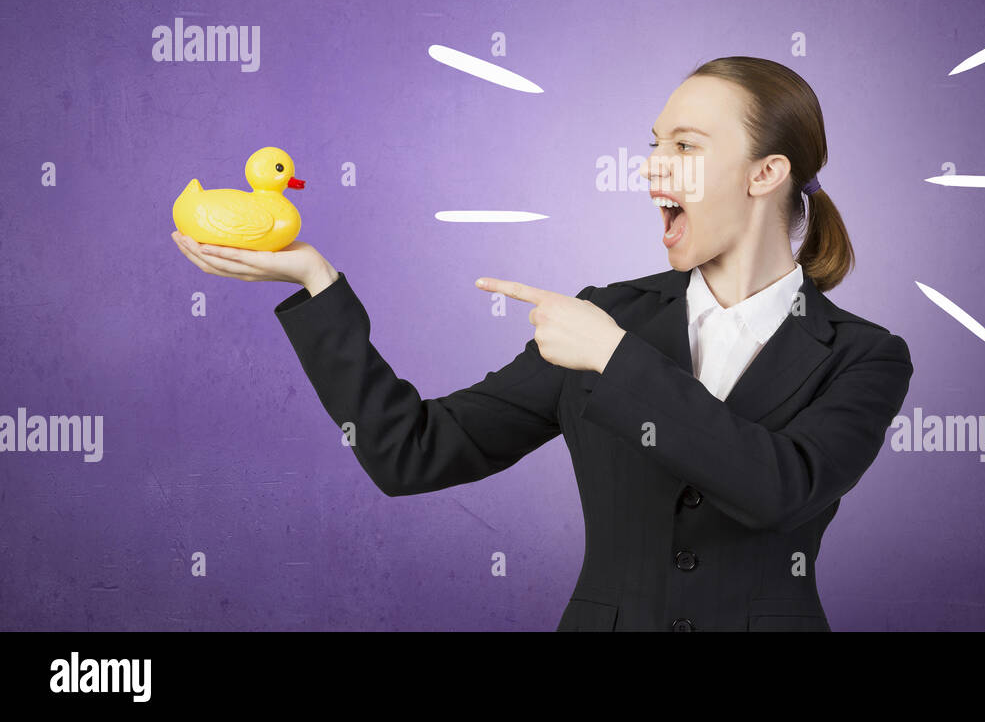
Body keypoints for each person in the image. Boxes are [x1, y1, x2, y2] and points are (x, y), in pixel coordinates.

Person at [171, 56, 914, 631]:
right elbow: (410, 453)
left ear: (766, 173)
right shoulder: (600, 316)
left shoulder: (863, 355)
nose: (652, 165)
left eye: (684, 146)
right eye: (652, 144)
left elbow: (778, 491)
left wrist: (616, 359)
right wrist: (316, 285)